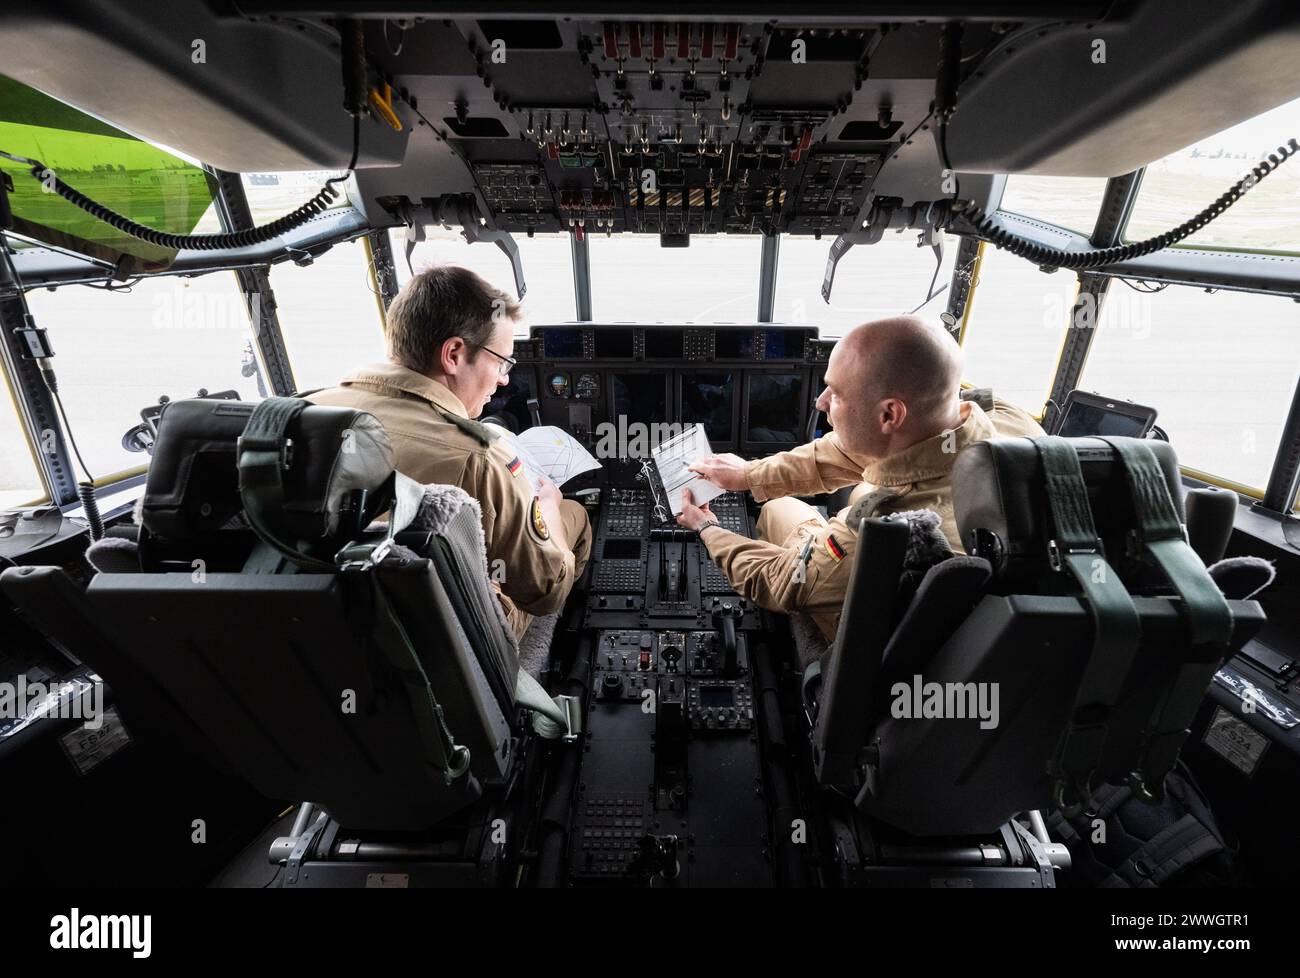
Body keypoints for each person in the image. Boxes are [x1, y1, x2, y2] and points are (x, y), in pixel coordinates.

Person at [676, 315, 1042, 640]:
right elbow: (848, 450)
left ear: (889, 414)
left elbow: (778, 582)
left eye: (836, 394)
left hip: (881, 631)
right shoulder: (1005, 420)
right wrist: (748, 475)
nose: (821, 403)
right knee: (795, 501)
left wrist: (708, 527)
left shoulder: (883, 536)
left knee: (776, 511)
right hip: (978, 608)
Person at [308, 264, 590, 638]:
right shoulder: (479, 458)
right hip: (444, 640)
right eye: (501, 361)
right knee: (575, 515)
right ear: (454, 354)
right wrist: (550, 509)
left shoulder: (306, 411)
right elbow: (545, 591)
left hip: (326, 625)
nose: (504, 378)